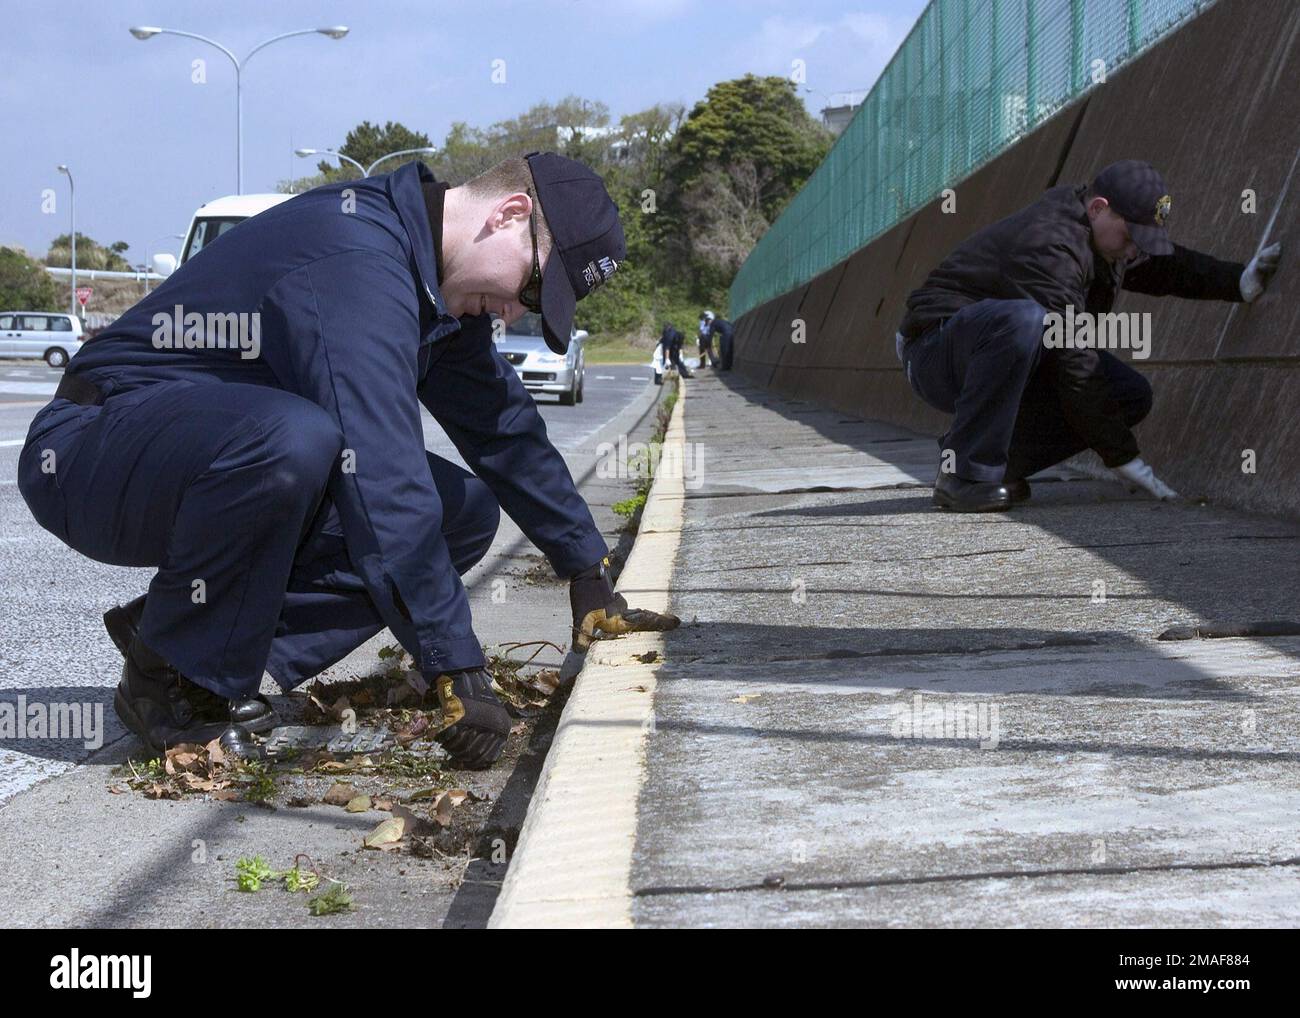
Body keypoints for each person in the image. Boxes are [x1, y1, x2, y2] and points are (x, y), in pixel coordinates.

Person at [19, 152, 667, 768]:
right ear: (508, 214)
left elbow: (505, 430)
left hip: (217, 457)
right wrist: (457, 670)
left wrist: (586, 569)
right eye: (531, 287)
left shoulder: (427, 283)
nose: (514, 311)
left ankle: (180, 639)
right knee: (299, 438)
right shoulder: (355, 256)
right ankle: (173, 674)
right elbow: (381, 472)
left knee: (462, 513)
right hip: (93, 447)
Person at [896, 159, 1282, 511]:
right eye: (1131, 238)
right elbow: (1074, 360)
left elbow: (1167, 267)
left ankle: (995, 464)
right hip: (932, 348)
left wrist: (1237, 281)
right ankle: (963, 475)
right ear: (1098, 208)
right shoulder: (1051, 247)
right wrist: (1124, 458)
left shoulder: (1106, 239)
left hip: (1001, 348)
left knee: (1128, 395)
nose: (1133, 252)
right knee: (1025, 320)